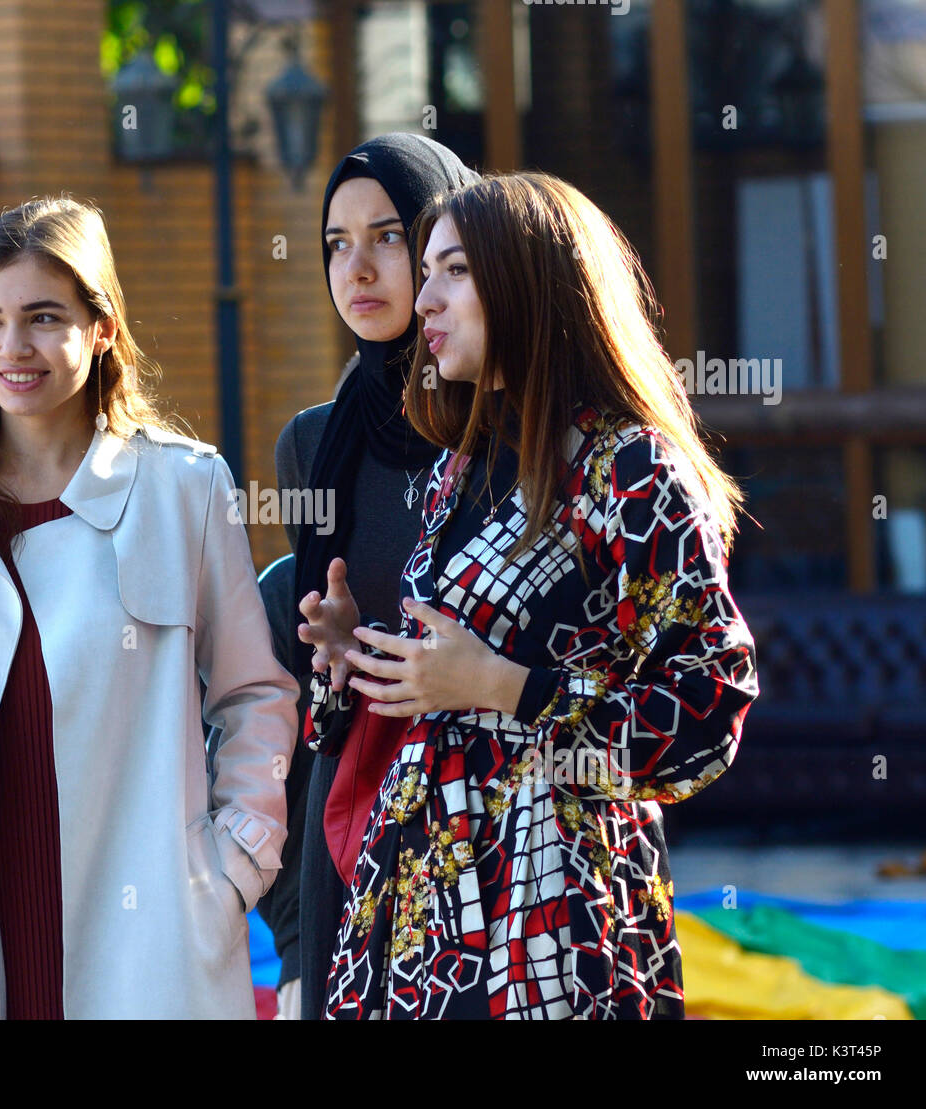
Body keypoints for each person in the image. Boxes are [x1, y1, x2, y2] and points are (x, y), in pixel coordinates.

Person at [297, 172, 759, 1019]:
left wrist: (507, 688)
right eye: (425, 269)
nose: (423, 298)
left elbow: (708, 709)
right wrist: (355, 655)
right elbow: (439, 693)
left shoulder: (631, 472)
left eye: (454, 271)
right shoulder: (458, 468)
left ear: (533, 281)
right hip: (422, 926)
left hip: (554, 919)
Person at [0, 194, 298, 1019]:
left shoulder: (185, 488)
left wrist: (234, 867)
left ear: (102, 328)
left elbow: (253, 695)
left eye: (43, 316)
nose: (11, 347)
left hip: (151, 932)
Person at [268, 133, 480, 1019]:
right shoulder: (314, 444)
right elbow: (281, 707)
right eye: (335, 243)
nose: (357, 267)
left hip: (479, 826)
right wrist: (292, 940)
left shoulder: (506, 433)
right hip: (346, 818)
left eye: (388, 236)